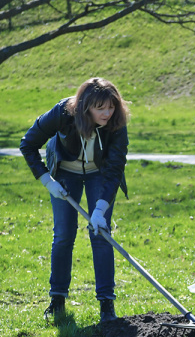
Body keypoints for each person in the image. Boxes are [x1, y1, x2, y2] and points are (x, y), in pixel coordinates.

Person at [20, 78, 130, 323]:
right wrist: (47, 180)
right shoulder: (62, 113)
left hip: (99, 174)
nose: (107, 113)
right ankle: (57, 299)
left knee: (101, 233)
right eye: (100, 108)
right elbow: (28, 144)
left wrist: (100, 209)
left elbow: (115, 168)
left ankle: (106, 305)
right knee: (63, 235)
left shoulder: (116, 123)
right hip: (64, 174)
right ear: (85, 106)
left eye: (111, 107)